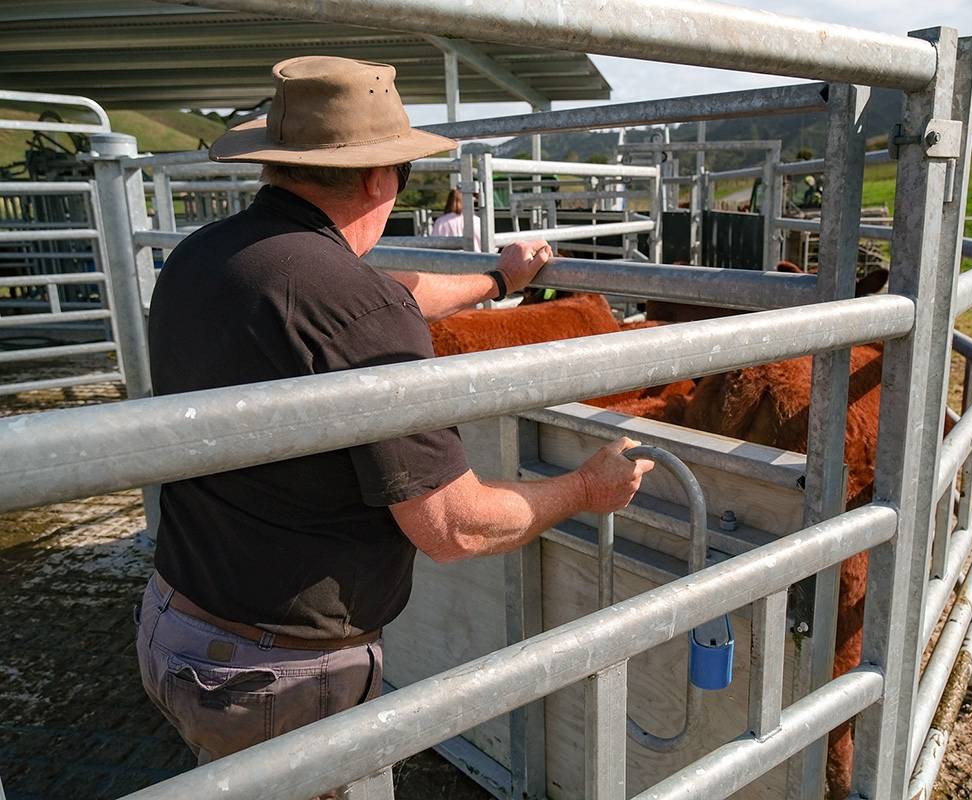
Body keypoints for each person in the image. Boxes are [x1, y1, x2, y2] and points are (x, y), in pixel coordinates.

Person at [136, 55, 653, 796]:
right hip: (281, 679)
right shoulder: (352, 304)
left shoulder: (205, 259)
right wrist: (585, 487)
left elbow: (384, 295)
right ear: (382, 178)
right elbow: (455, 525)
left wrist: (498, 281)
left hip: (175, 629)